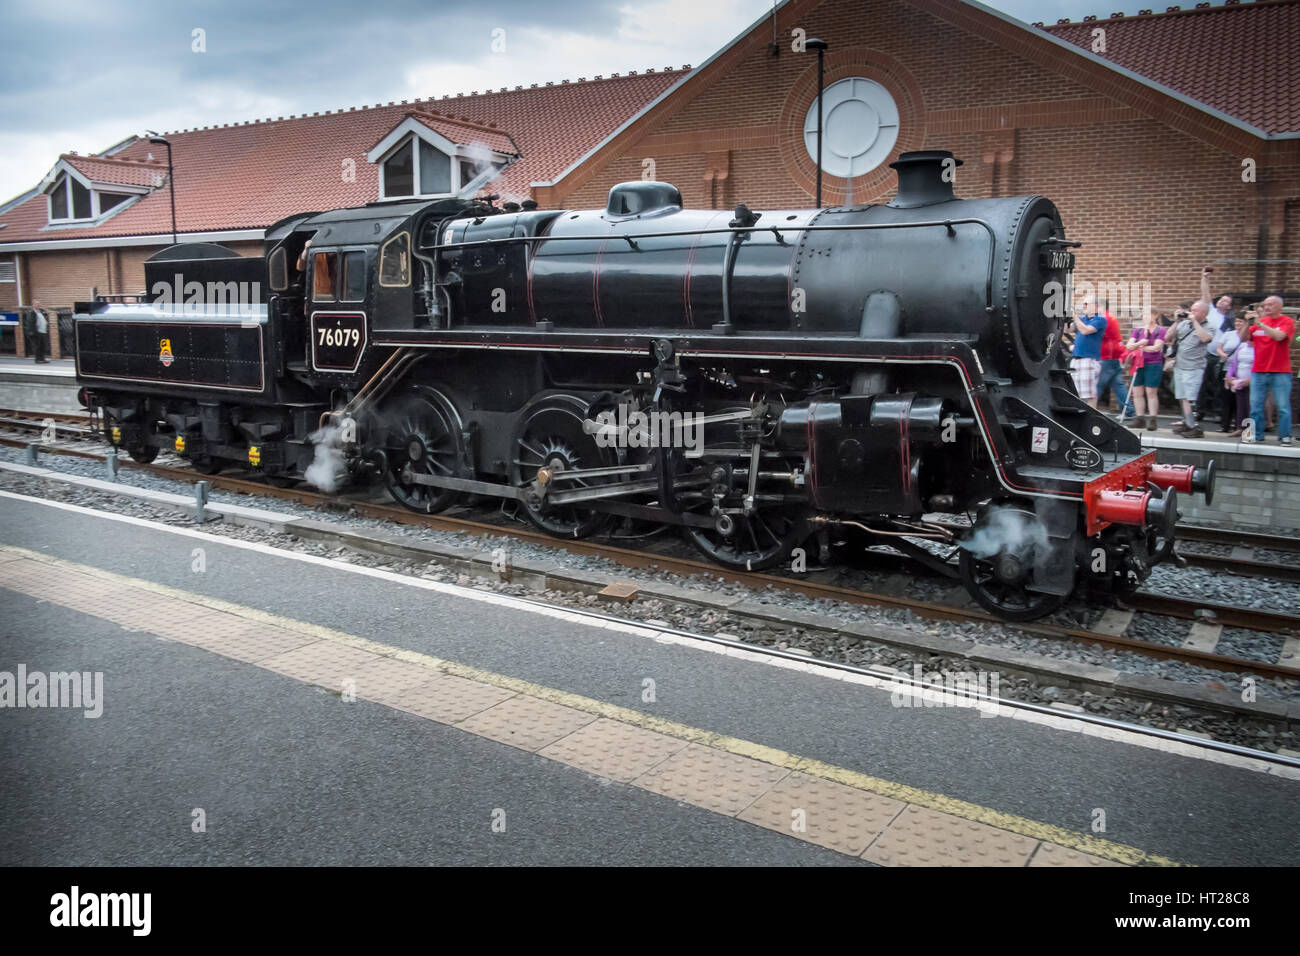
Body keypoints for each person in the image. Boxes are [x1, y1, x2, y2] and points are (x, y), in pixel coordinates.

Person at [1246, 295, 1293, 446]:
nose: (1267, 307)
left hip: (1280, 371)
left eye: (1271, 304)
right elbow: (1245, 339)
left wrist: (1260, 324)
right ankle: (1256, 435)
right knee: (1255, 405)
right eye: (1265, 305)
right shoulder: (1258, 323)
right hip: (1258, 370)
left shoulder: (1287, 321)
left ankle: (1285, 436)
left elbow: (1279, 337)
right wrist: (1247, 323)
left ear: (1280, 307)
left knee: (1283, 406)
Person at [1168, 299, 1213, 437]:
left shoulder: (1209, 326)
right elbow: (1168, 337)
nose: (1191, 313)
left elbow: (1206, 339)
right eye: (1191, 310)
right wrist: (1176, 322)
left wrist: (1194, 322)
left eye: (1195, 310)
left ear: (1204, 313)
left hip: (1194, 367)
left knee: (1191, 398)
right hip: (1180, 365)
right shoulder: (1184, 324)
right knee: (1183, 397)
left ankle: (1195, 427)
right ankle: (1188, 424)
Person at [1126, 307, 1166, 431]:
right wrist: (1140, 344)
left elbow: (1156, 348)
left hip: (1153, 363)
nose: (1145, 317)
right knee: (1137, 392)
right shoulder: (1138, 331)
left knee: (1151, 392)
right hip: (1138, 363)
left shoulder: (1161, 330)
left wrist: (1139, 347)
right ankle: (1140, 418)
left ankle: (1153, 419)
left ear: (1155, 316)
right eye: (1144, 315)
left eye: (1148, 315)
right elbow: (1129, 345)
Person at [1096, 296, 1133, 421]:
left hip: (1108, 356)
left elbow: (1097, 334)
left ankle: (1089, 408)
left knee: (1098, 384)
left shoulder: (1104, 318)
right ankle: (1129, 411)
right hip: (1115, 355)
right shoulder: (1109, 316)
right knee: (1117, 384)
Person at [1069, 295, 1107, 409]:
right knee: (1076, 393)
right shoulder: (1082, 319)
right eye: (1083, 304)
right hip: (1076, 360)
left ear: (1095, 307)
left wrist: (1074, 316)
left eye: (1087, 304)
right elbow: (1068, 329)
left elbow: (1085, 330)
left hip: (1089, 360)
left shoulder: (1100, 319)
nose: (1084, 306)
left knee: (1089, 395)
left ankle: (1092, 417)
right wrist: (1065, 319)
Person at [1223, 310, 1254, 437]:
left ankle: (1250, 430)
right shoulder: (1241, 348)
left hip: (1251, 381)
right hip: (1239, 381)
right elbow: (1233, 364)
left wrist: (1249, 380)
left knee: (1250, 406)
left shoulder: (1258, 349)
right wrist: (1230, 377)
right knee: (1240, 405)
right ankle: (1240, 427)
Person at [30, 299, 50, 364]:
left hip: (43, 331)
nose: (38, 305)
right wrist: (32, 332)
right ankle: (37, 359)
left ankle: (42, 359)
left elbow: (46, 317)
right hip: (37, 332)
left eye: (39, 304)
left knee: (43, 346)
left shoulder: (41, 311)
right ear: (33, 305)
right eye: (36, 304)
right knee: (37, 346)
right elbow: (30, 323)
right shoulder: (32, 313)